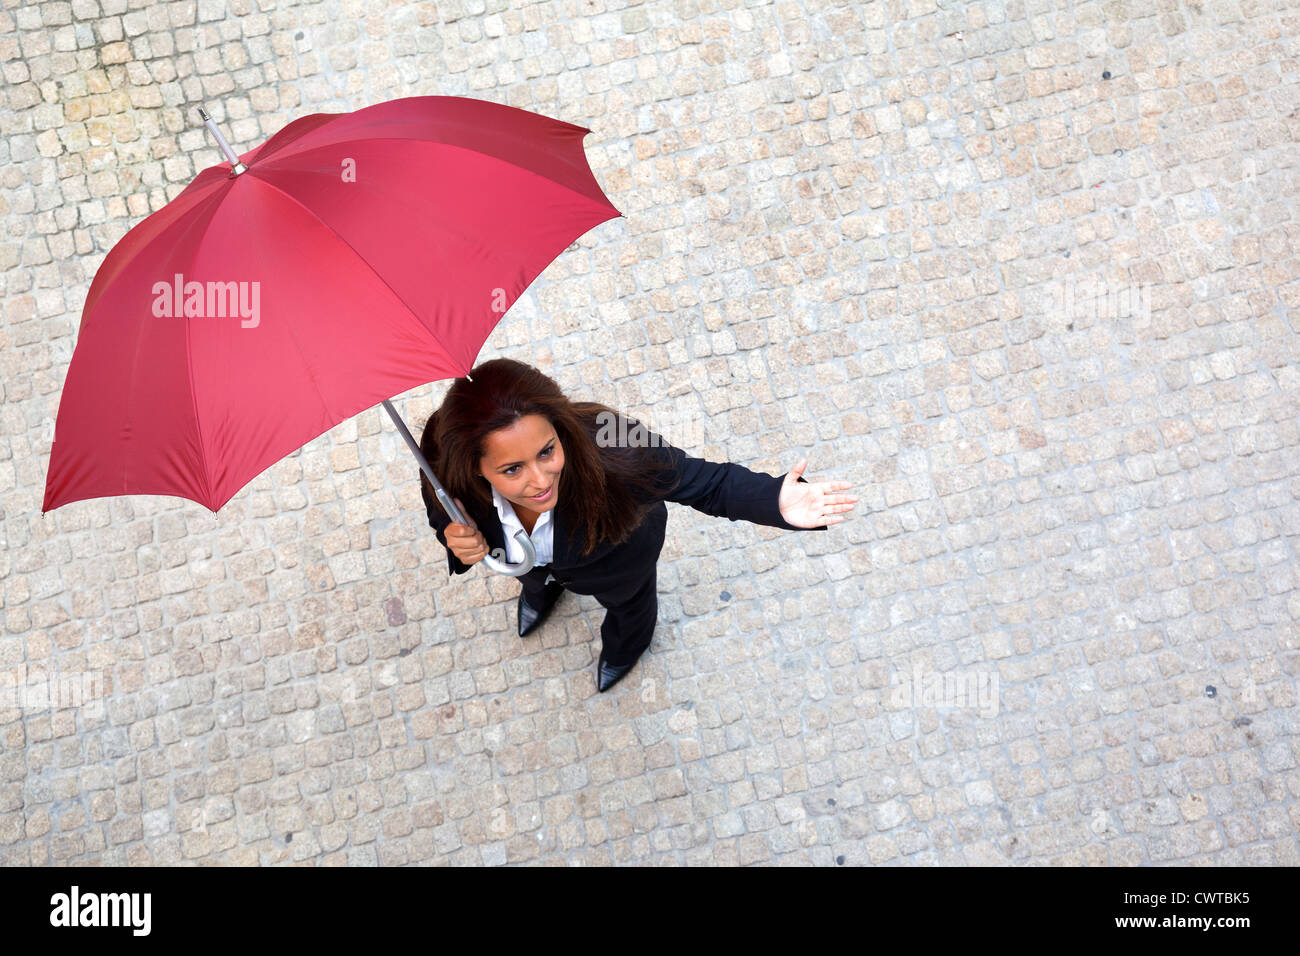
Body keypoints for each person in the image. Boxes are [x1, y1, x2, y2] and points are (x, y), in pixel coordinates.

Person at [419, 359, 858, 692]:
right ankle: (541, 593)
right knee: (533, 579)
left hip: (618, 558)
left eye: (547, 451)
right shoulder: (441, 460)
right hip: (529, 560)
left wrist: (773, 500)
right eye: (512, 470)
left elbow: (703, 482)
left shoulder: (618, 442)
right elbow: (442, 513)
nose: (539, 481)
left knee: (631, 607)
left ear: (559, 427)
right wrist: (455, 539)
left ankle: (626, 647)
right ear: (474, 466)